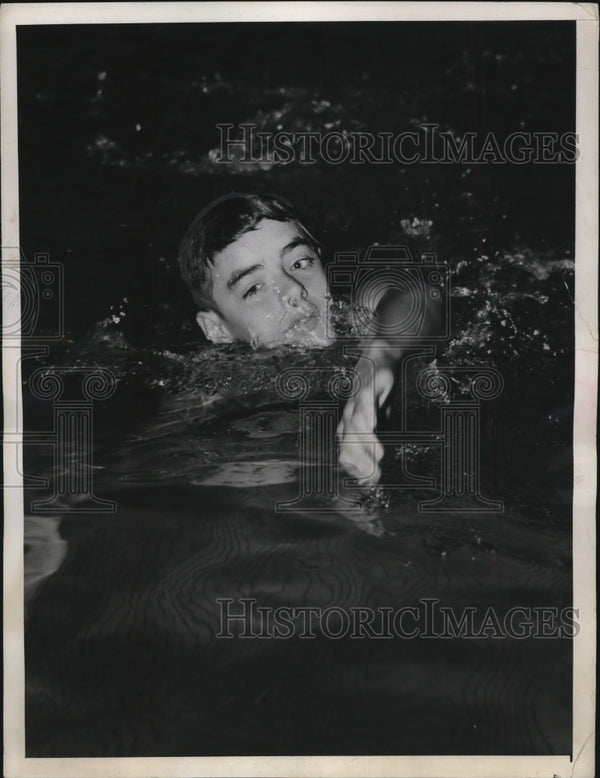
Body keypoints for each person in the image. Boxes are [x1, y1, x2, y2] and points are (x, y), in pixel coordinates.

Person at [178, 192, 441, 484]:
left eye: (300, 263)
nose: (293, 289)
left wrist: (381, 355)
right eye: (254, 289)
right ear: (218, 329)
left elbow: (419, 295)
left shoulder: (358, 322)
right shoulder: (211, 389)